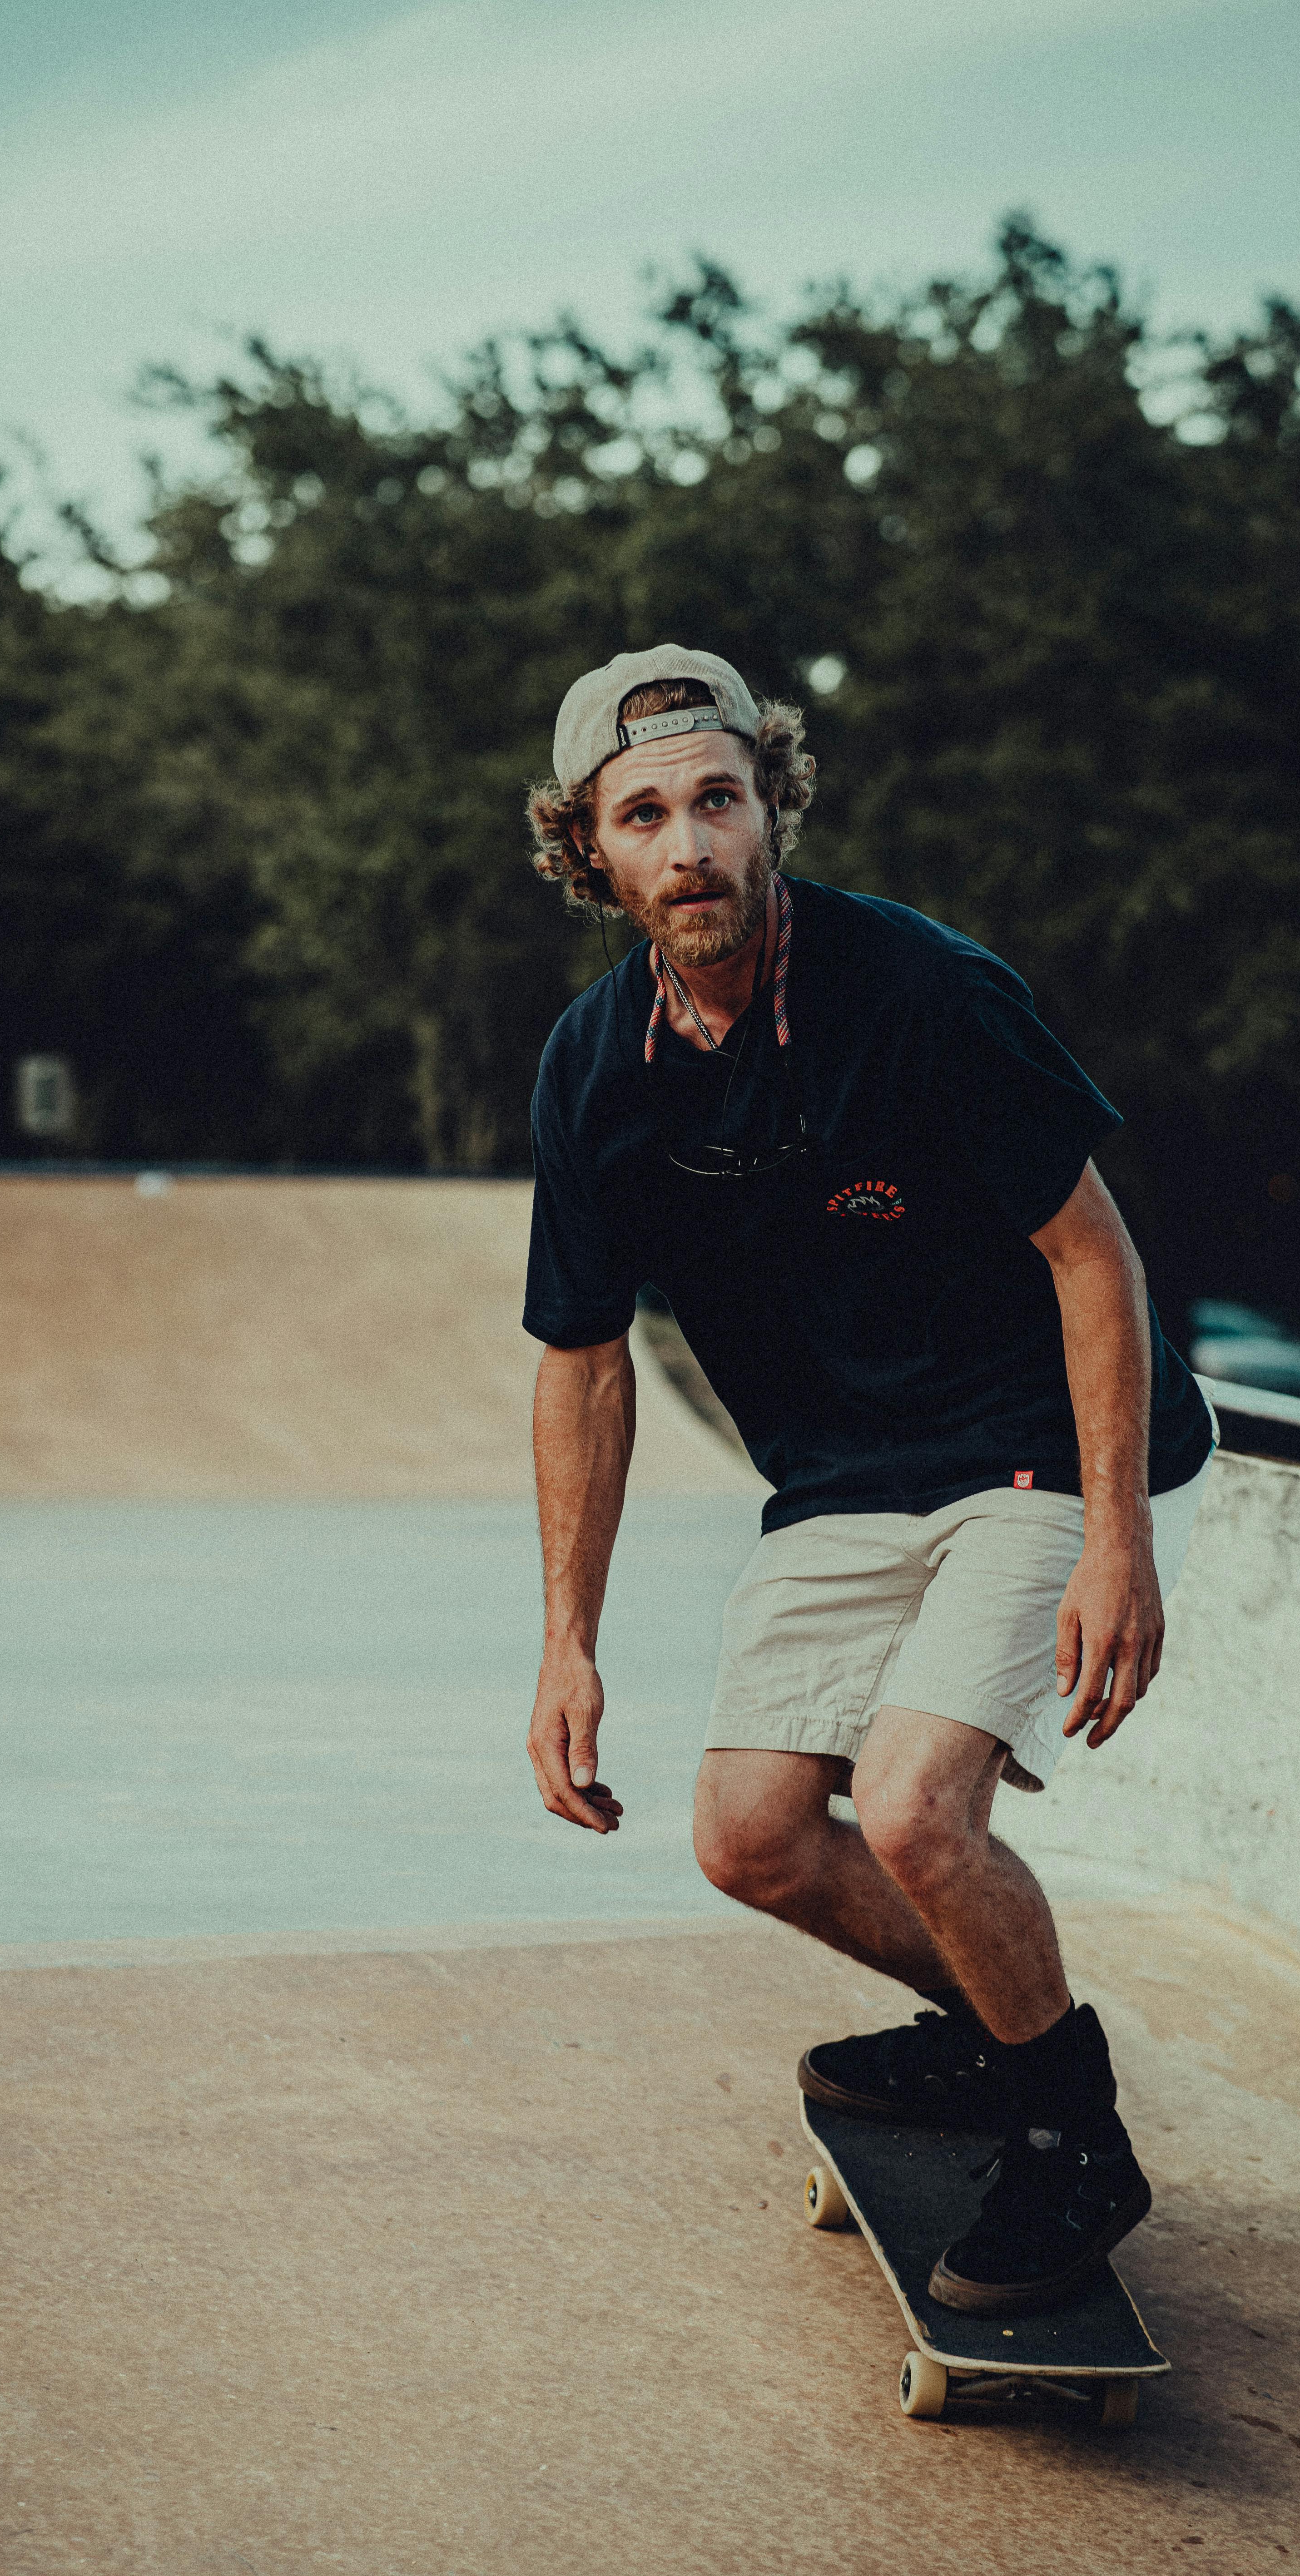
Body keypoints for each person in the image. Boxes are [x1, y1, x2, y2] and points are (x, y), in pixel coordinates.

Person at [521, 643, 1216, 2312]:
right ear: (591, 853)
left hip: (1036, 1447)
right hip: (842, 1485)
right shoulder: (595, 1071)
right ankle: (1001, 2033)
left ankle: (1073, 2139)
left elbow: (1095, 1257)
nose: (690, 845)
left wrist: (1116, 1536)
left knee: (910, 1807)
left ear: (774, 809)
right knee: (751, 1838)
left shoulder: (922, 991)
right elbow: (585, 1362)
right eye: (644, 816)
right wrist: (567, 1642)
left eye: (719, 800)